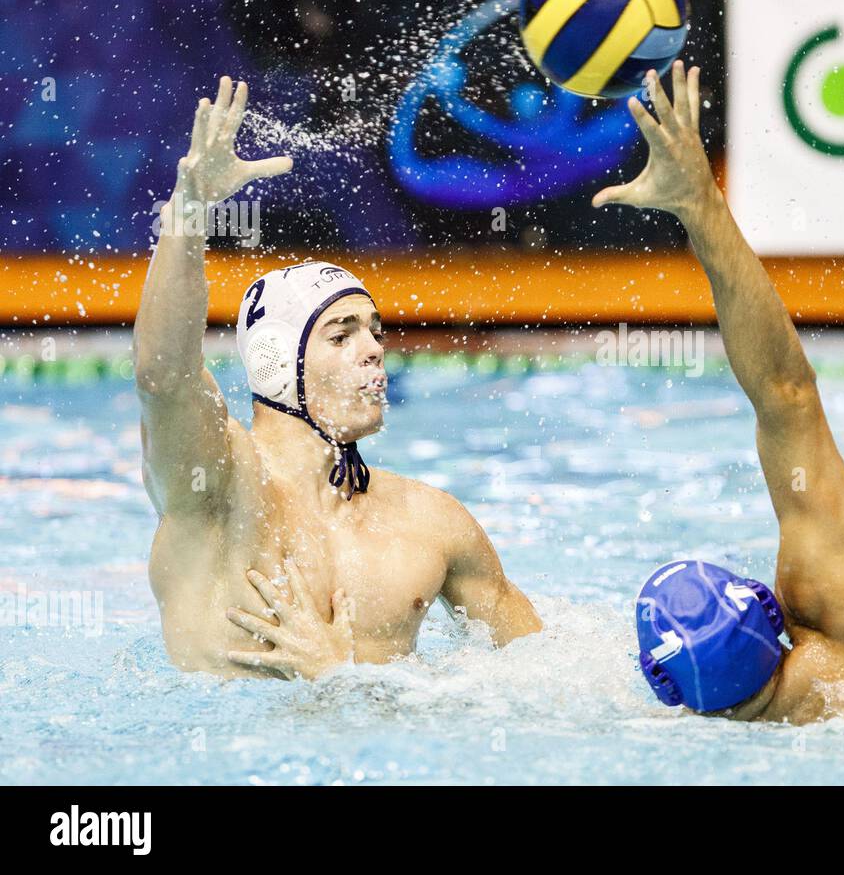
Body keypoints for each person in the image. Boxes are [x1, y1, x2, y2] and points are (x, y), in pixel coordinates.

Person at [598, 61, 844, 733]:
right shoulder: (838, 627)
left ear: (667, 690)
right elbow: (788, 394)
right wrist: (700, 204)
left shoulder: (701, 738)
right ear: (766, 605)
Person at [134, 77, 540, 680]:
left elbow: (545, 673)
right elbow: (163, 376)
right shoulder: (216, 487)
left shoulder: (431, 522)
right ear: (276, 363)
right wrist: (189, 211)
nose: (374, 351)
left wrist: (343, 679)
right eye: (342, 334)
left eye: (375, 331)